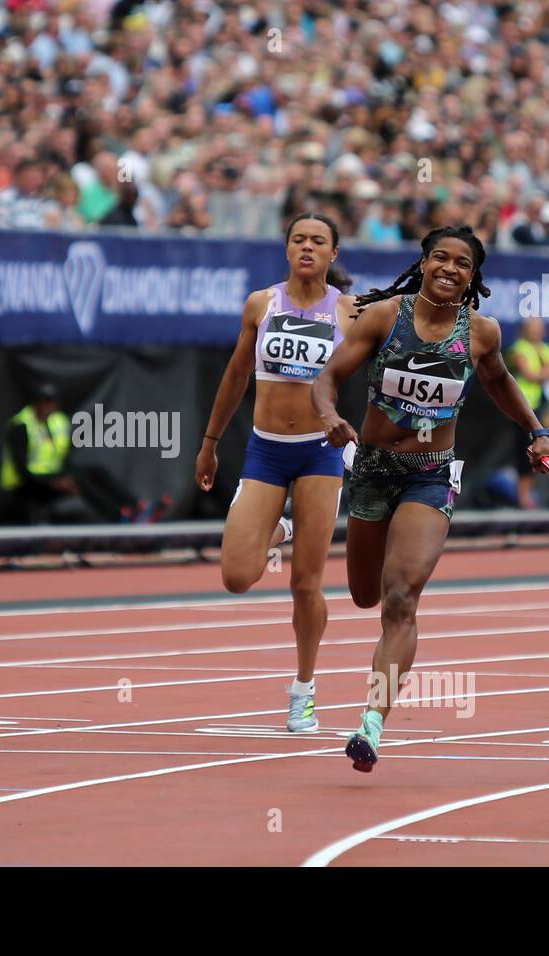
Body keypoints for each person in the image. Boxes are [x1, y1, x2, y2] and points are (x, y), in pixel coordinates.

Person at [311, 225, 549, 773]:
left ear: (474, 277)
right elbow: (328, 378)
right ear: (423, 263)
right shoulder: (383, 316)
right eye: (441, 258)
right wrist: (330, 417)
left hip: (430, 473)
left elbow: (499, 383)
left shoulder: (482, 332)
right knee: (363, 595)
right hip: (374, 469)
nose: (450, 269)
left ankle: (371, 723)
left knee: (401, 598)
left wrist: (536, 430)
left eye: (463, 263)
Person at [196, 212, 357, 733]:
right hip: (266, 450)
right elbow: (237, 374)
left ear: (333, 255)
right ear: (286, 249)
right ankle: (281, 527)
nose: (307, 247)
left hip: (319, 454)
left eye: (318, 242)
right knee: (237, 576)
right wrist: (210, 443)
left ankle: (304, 689)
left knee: (305, 583)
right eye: (298, 239)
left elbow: (377, 383)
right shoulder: (260, 305)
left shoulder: (350, 312)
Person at [0, 384, 151, 523]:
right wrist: (53, 482)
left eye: (51, 402)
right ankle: (119, 517)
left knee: (95, 471)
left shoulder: (58, 422)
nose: (47, 406)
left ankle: (136, 507)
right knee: (79, 481)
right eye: (44, 402)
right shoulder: (21, 426)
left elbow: (63, 459)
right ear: (35, 403)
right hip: (27, 484)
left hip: (52, 476)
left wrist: (65, 477)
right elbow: (22, 471)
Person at [506, 317, 549, 508]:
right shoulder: (519, 347)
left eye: (540, 328)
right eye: (533, 329)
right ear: (525, 330)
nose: (538, 332)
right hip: (526, 411)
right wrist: (547, 371)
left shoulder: (547, 349)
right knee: (526, 453)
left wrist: (541, 373)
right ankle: (523, 497)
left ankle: (531, 495)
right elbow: (528, 373)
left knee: (543, 454)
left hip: (546, 410)